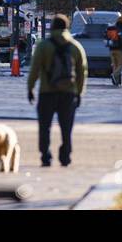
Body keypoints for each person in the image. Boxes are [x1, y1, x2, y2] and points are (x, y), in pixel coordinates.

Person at [27, 14, 86, 167]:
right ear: (66, 27)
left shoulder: (43, 46)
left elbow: (34, 69)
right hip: (69, 93)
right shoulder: (76, 47)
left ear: (52, 27)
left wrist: (30, 88)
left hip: (47, 92)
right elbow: (82, 72)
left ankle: (45, 155)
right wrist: (79, 93)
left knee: (44, 126)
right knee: (66, 127)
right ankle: (65, 155)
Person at [105, 20, 122, 86]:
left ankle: (116, 82)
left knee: (115, 65)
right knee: (121, 65)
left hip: (111, 50)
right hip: (119, 50)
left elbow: (106, 38)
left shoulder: (111, 29)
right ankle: (114, 75)